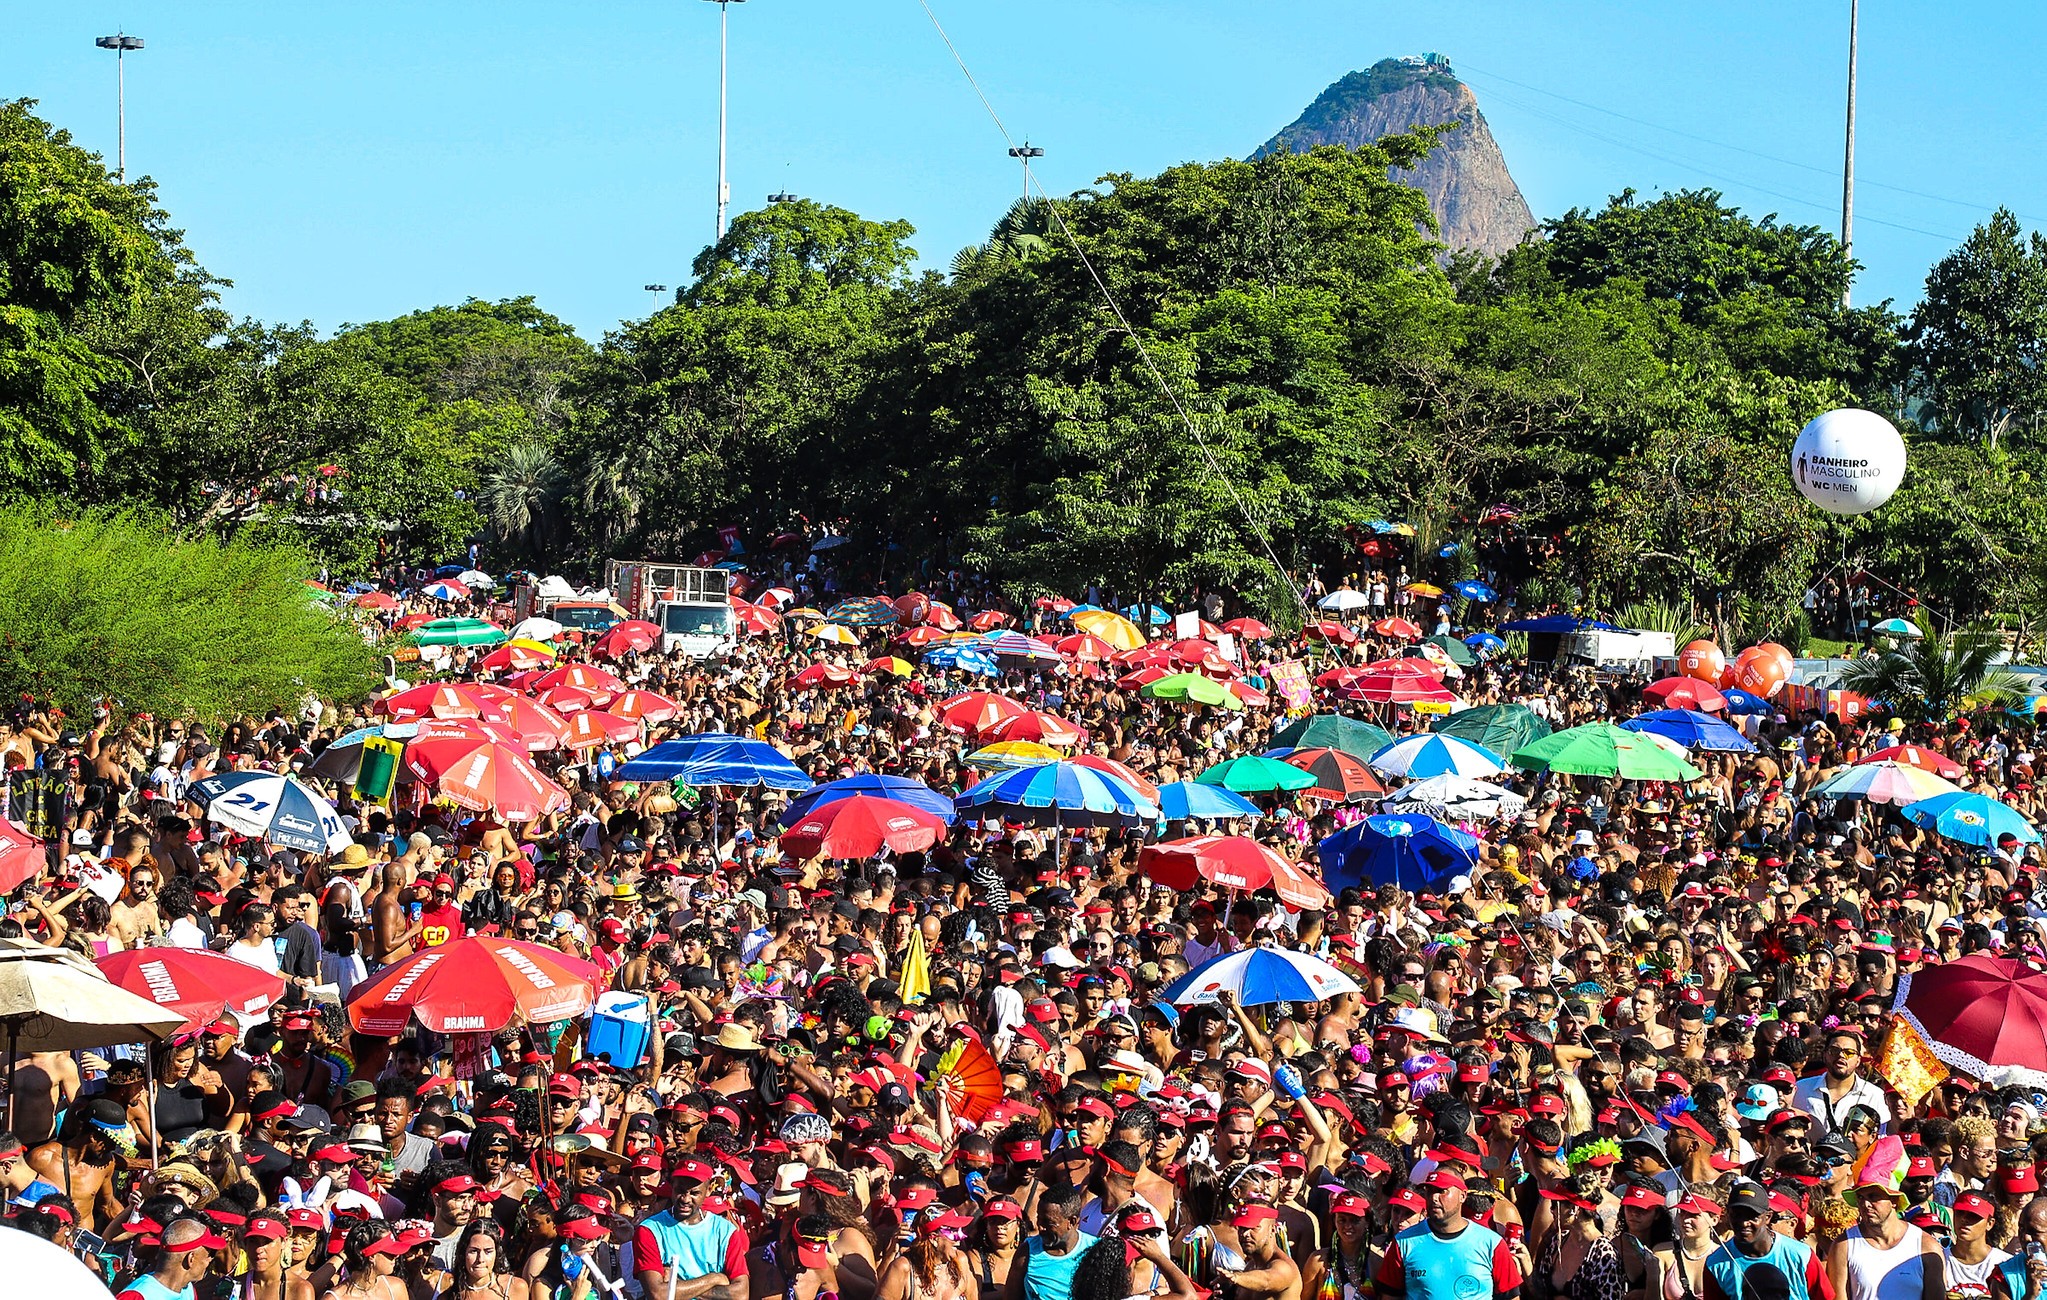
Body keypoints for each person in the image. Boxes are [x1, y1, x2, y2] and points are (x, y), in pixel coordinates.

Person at [1374, 1169, 1523, 1300]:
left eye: (1442, 1191)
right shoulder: (1403, 1243)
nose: (1434, 1197)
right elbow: (1389, 1296)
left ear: (1462, 1196)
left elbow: (1510, 1297)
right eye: (1430, 1190)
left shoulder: (1492, 1244)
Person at [1702, 1184, 1832, 1300]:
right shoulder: (1715, 1264)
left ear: (1768, 1217)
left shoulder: (1801, 1255)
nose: (1744, 1223)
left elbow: (1825, 1297)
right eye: (1737, 1215)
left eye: (1752, 1216)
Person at [1011, 1185, 1096, 1300]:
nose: (1040, 1227)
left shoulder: (1095, 1251)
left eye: (1049, 1223)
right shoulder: (1027, 1251)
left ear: (1071, 1222)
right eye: (1039, 1219)